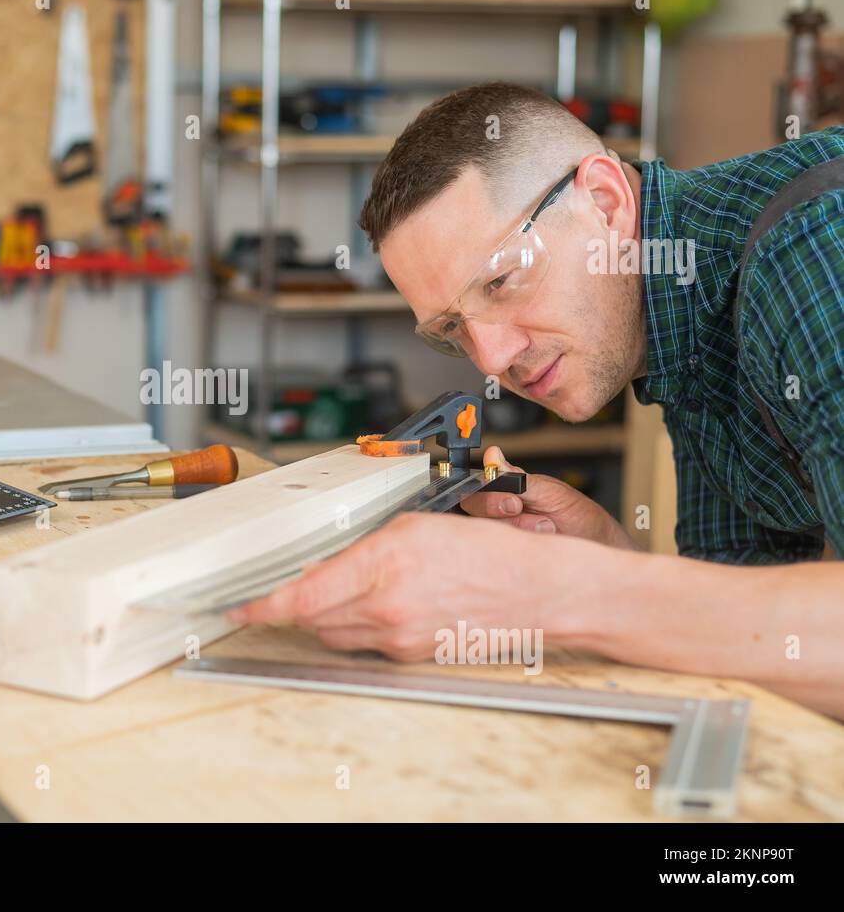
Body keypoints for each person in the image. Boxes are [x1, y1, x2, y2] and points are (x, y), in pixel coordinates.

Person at [228, 82, 844, 717]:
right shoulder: (676, 323)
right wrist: (604, 552)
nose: (490, 360)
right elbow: (745, 626)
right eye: (452, 329)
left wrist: (556, 593)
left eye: (502, 281)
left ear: (605, 204)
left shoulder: (814, 255)